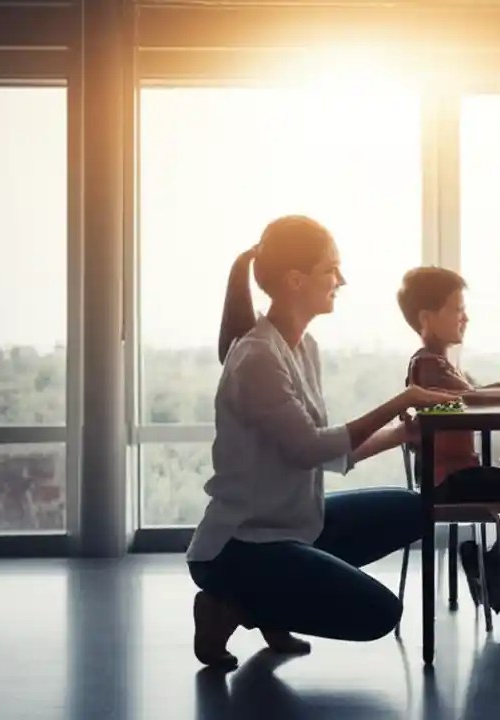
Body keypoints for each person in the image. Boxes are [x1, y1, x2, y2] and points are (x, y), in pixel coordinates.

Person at [187, 215, 461, 671]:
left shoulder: (303, 347)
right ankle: (233, 605)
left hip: (292, 525)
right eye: (331, 270)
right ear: (296, 280)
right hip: (239, 546)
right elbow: (308, 450)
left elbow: (326, 449)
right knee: (380, 614)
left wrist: (401, 434)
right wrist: (402, 401)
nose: (341, 280)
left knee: (416, 508)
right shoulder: (256, 357)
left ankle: (271, 604)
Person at [398, 266, 500, 613]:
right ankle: (492, 562)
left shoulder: (444, 366)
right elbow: (471, 400)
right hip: (449, 482)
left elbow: (474, 393)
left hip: (465, 477)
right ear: (426, 318)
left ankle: (489, 562)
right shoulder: (427, 367)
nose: (465, 318)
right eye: (457, 310)